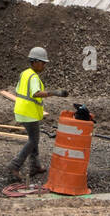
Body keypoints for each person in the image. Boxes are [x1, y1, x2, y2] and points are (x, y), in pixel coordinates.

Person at [8, 46, 66, 182]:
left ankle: (35, 165)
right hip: (29, 112)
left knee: (34, 139)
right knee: (33, 140)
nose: (44, 65)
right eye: (42, 62)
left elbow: (18, 90)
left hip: (21, 110)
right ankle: (14, 165)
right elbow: (35, 93)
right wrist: (55, 93)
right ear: (34, 62)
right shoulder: (33, 77)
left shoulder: (24, 73)